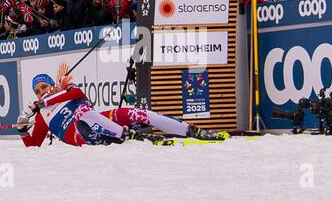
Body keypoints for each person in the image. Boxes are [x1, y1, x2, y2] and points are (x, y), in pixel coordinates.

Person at [18, 62, 224, 147]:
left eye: (44, 87)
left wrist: (49, 98)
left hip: (96, 119)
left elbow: (79, 93)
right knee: (82, 118)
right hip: (77, 133)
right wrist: (22, 130)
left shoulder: (65, 92)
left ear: (51, 85)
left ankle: (191, 130)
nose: (41, 92)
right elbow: (34, 144)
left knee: (135, 113)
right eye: (37, 91)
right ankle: (129, 134)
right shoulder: (40, 114)